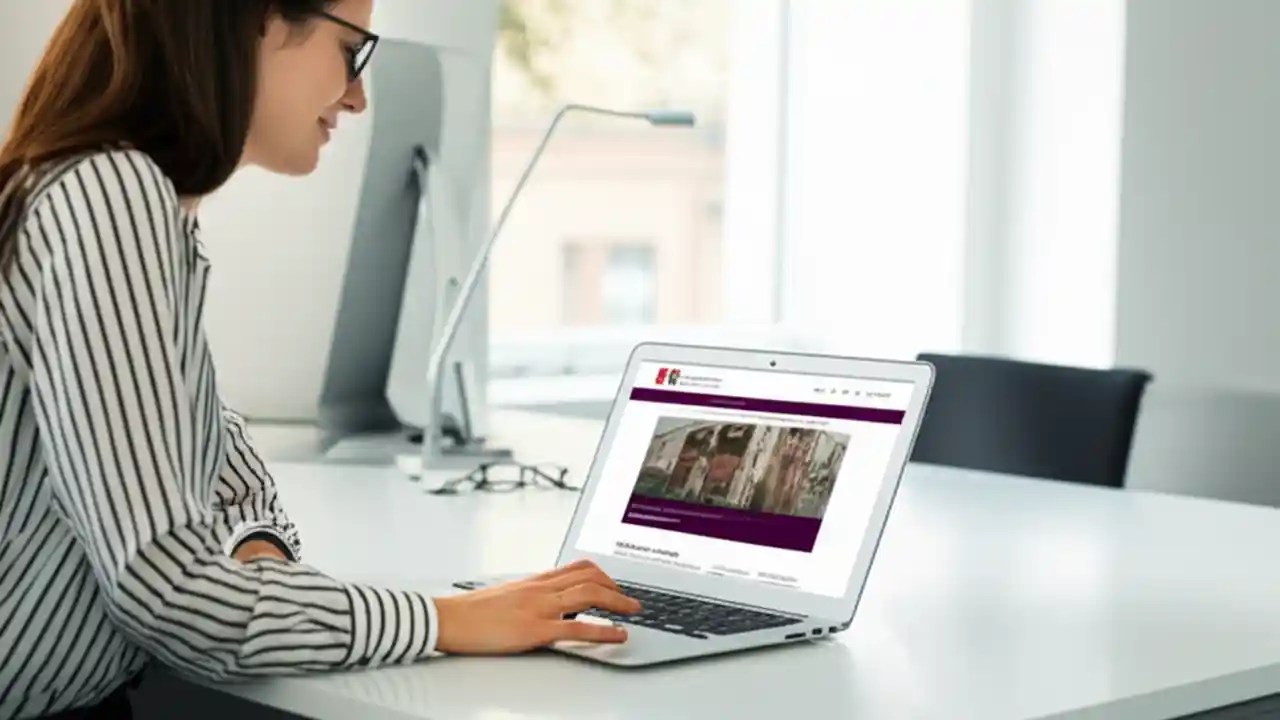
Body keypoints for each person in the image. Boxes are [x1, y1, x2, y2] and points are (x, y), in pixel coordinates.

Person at [0, 2, 639, 718]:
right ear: (253, 24)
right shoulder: (111, 201)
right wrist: (447, 620)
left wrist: (259, 580)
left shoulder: (154, 212)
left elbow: (232, 487)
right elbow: (171, 590)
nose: (360, 97)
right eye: (350, 49)